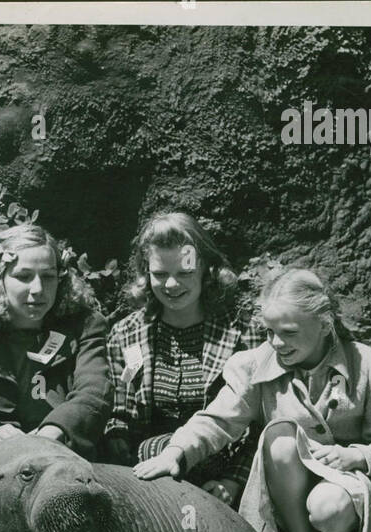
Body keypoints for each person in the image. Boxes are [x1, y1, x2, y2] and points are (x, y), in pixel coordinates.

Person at [133, 267, 371, 532]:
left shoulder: (368, 365)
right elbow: (217, 419)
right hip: (281, 494)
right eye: (269, 332)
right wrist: (175, 451)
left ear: (324, 324)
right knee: (281, 438)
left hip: (344, 494)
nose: (277, 343)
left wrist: (358, 457)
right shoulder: (255, 365)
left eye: (288, 332)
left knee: (327, 509)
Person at [104, 211, 263, 506]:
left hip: (224, 476)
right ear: (145, 272)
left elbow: (258, 422)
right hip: (150, 475)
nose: (172, 285)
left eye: (185, 273)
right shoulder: (125, 334)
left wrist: (233, 481)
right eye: (160, 274)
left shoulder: (244, 333)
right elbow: (119, 418)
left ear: (205, 269)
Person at [0, 223, 112, 459]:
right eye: (23, 276)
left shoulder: (84, 327)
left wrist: (55, 431)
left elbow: (94, 391)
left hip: (66, 457)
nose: (37, 289)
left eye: (48, 276)